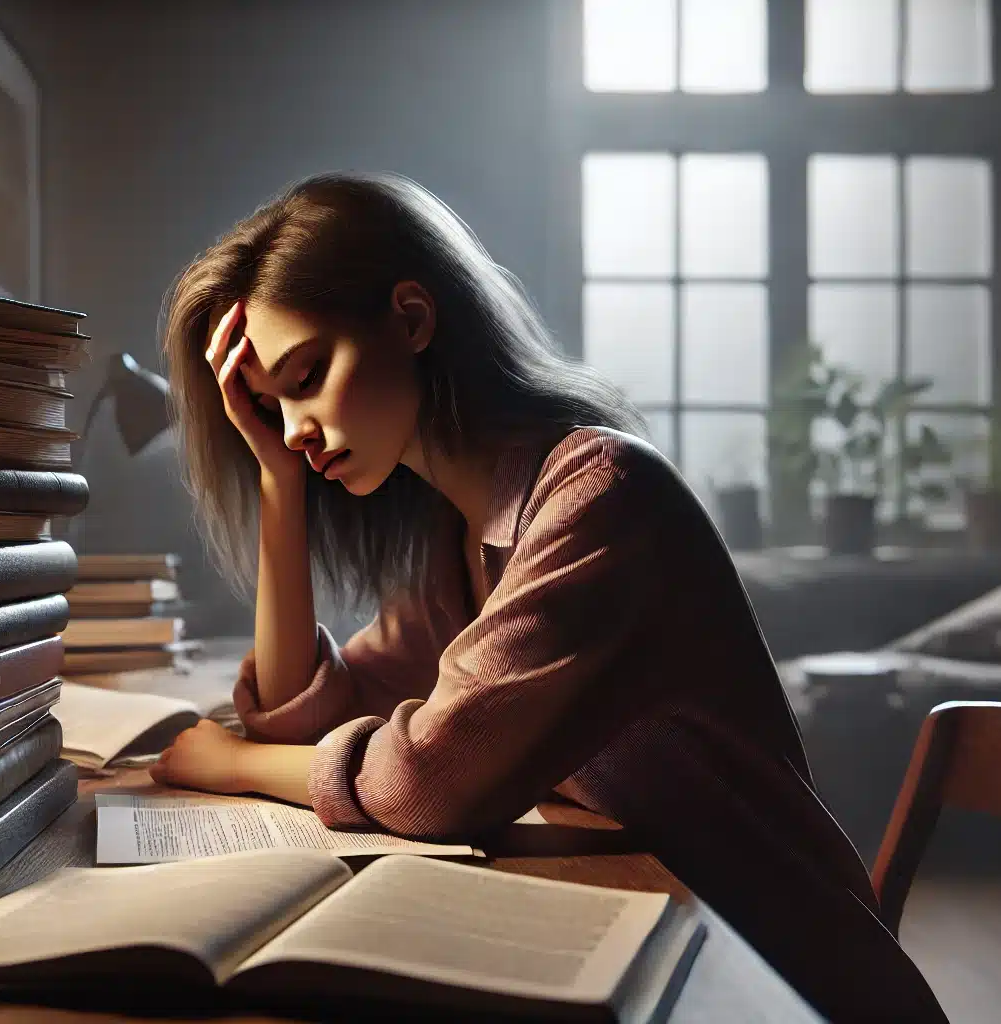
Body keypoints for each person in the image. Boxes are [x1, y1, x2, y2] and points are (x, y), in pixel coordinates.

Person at [148, 171, 947, 1022]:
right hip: (659, 950)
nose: (295, 428)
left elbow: (424, 781)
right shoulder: (455, 535)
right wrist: (279, 486)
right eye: (269, 407)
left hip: (784, 981)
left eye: (307, 375)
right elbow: (307, 719)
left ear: (411, 319)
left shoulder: (600, 498)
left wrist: (232, 765)